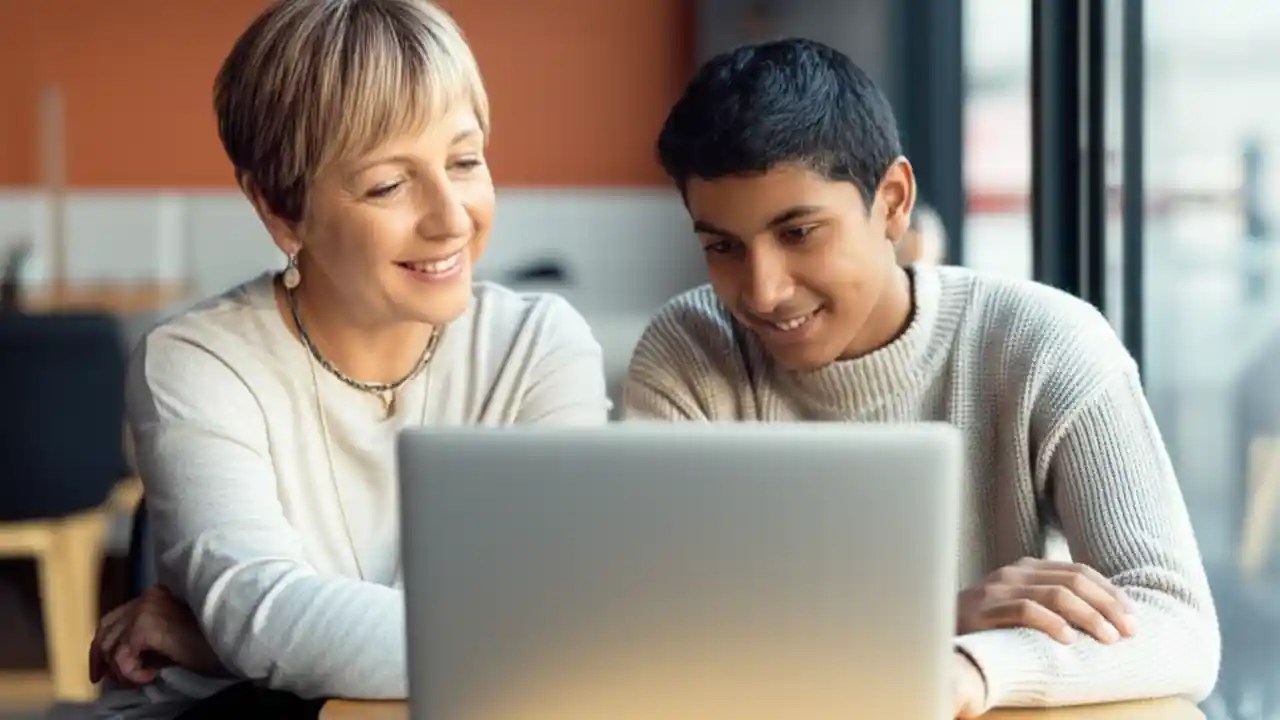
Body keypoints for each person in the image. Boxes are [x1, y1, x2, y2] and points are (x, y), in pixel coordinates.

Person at [622, 38, 1218, 717]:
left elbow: (1179, 627)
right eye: (723, 247)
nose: (762, 291)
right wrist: (935, 624)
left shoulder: (1046, 341)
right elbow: (664, 634)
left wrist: (968, 667)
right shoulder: (689, 350)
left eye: (799, 233)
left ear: (894, 202)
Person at [89, 0, 609, 717]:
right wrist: (252, 633)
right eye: (389, 184)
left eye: (464, 161)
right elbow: (262, 614)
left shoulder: (540, 346)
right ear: (280, 208)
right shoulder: (194, 364)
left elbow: (580, 622)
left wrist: (230, 641)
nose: (451, 217)